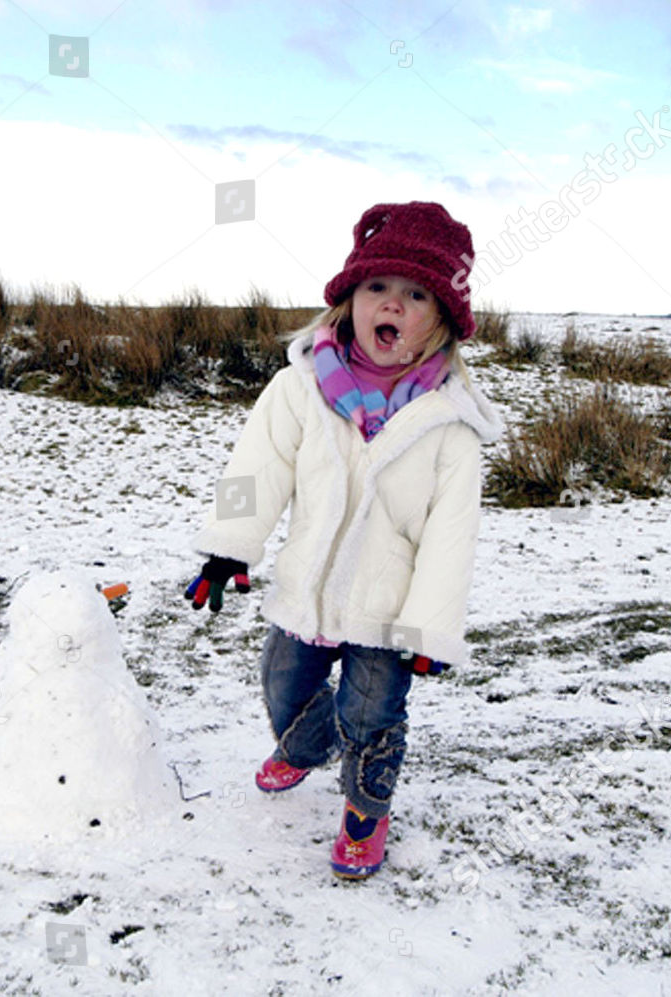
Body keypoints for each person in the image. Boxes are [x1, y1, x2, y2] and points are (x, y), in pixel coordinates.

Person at [183, 201, 507, 879]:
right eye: (377, 287)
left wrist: (429, 628)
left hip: (387, 613)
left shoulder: (450, 427)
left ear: (441, 320)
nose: (392, 303)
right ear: (349, 300)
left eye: (416, 294)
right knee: (281, 682)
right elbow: (257, 468)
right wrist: (228, 547)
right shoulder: (300, 388)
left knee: (371, 712)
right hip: (307, 587)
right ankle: (302, 743)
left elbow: (452, 540)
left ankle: (366, 806)